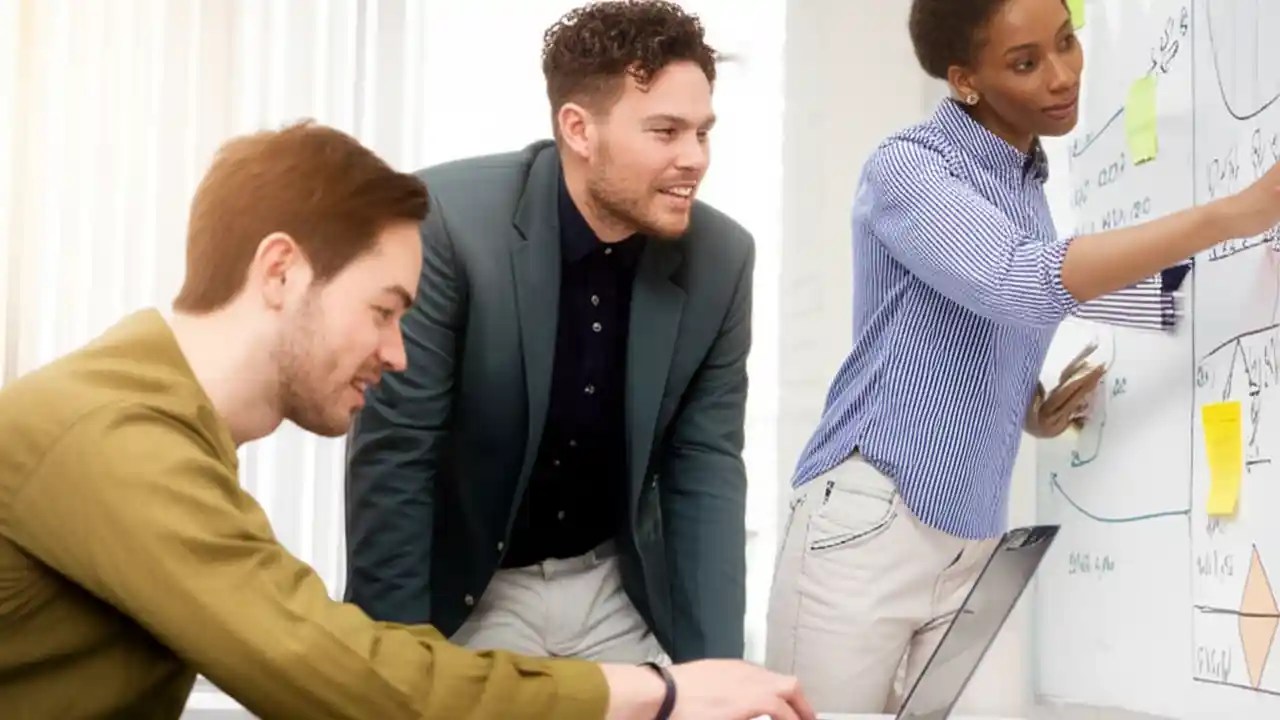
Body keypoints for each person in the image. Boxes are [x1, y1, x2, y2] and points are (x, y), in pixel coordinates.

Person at [0, 119, 815, 720]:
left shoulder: (158, 425)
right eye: (384, 310)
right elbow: (329, 667)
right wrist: (662, 691)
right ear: (281, 270)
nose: (398, 354)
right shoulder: (113, 436)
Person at [764, 0, 1280, 713]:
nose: (1063, 75)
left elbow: (1000, 309)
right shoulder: (909, 168)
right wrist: (1230, 216)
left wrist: (1023, 404)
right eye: (1025, 63)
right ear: (964, 80)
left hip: (973, 538)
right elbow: (1021, 284)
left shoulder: (1024, 188)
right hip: (870, 524)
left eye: (1066, 43)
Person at [344, 0, 752, 667]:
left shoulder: (723, 259)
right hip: (471, 593)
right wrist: (391, 664)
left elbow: (704, 469)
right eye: (666, 132)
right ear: (578, 129)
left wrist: (718, 675)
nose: (694, 159)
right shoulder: (446, 222)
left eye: (702, 133)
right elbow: (396, 457)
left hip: (615, 588)